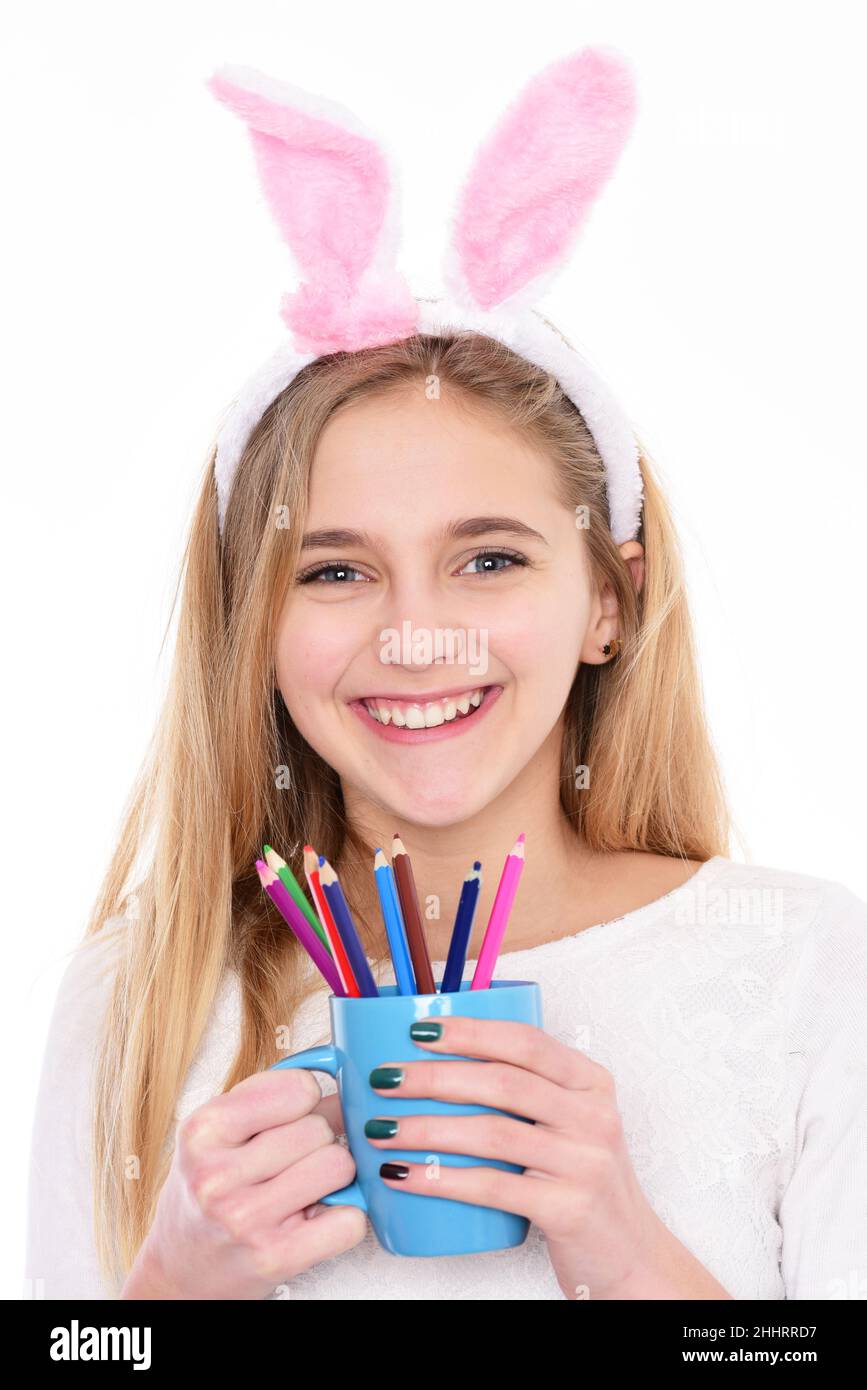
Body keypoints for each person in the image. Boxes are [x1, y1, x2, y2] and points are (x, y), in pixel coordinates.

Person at [25, 50, 867, 1302]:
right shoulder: (144, 992)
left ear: (609, 602)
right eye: (334, 573)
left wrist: (625, 1250)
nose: (417, 634)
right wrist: (172, 1292)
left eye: (486, 558)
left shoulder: (812, 968)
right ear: (254, 627)